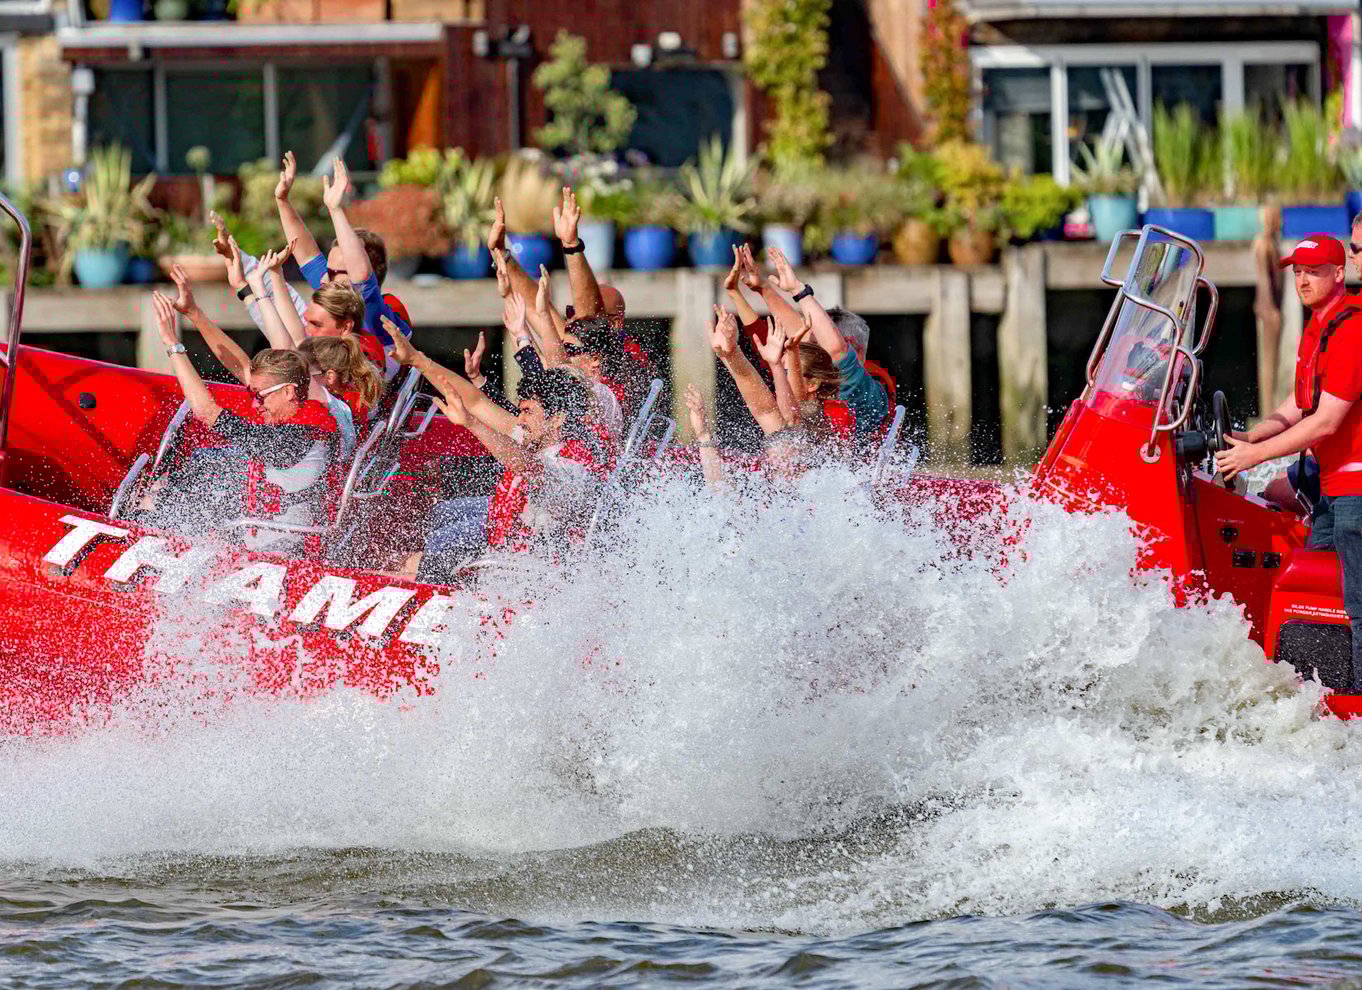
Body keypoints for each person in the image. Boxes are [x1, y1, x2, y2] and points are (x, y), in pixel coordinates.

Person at [1215, 233, 1362, 692]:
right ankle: (1326, 697)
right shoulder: (1319, 326)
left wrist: (1253, 456)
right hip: (1331, 492)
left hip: (1355, 494)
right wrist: (1250, 435)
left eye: (1313, 271)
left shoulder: (1353, 329)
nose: (1302, 279)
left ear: (1339, 274)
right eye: (1297, 271)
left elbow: (1326, 422)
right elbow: (1302, 405)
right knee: (1315, 594)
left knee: (1357, 605)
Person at [143, 292, 340, 550]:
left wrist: (173, 344)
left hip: (282, 551)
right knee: (202, 463)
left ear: (289, 391)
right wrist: (194, 313)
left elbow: (206, 412)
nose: (254, 405)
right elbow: (242, 367)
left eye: (259, 396)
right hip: (253, 534)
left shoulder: (294, 440)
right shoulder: (302, 413)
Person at [272, 152, 412, 374]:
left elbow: (362, 276)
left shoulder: (375, 314)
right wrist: (282, 201)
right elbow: (305, 252)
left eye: (338, 272)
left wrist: (336, 210)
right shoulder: (334, 289)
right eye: (328, 269)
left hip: (359, 406)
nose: (326, 276)